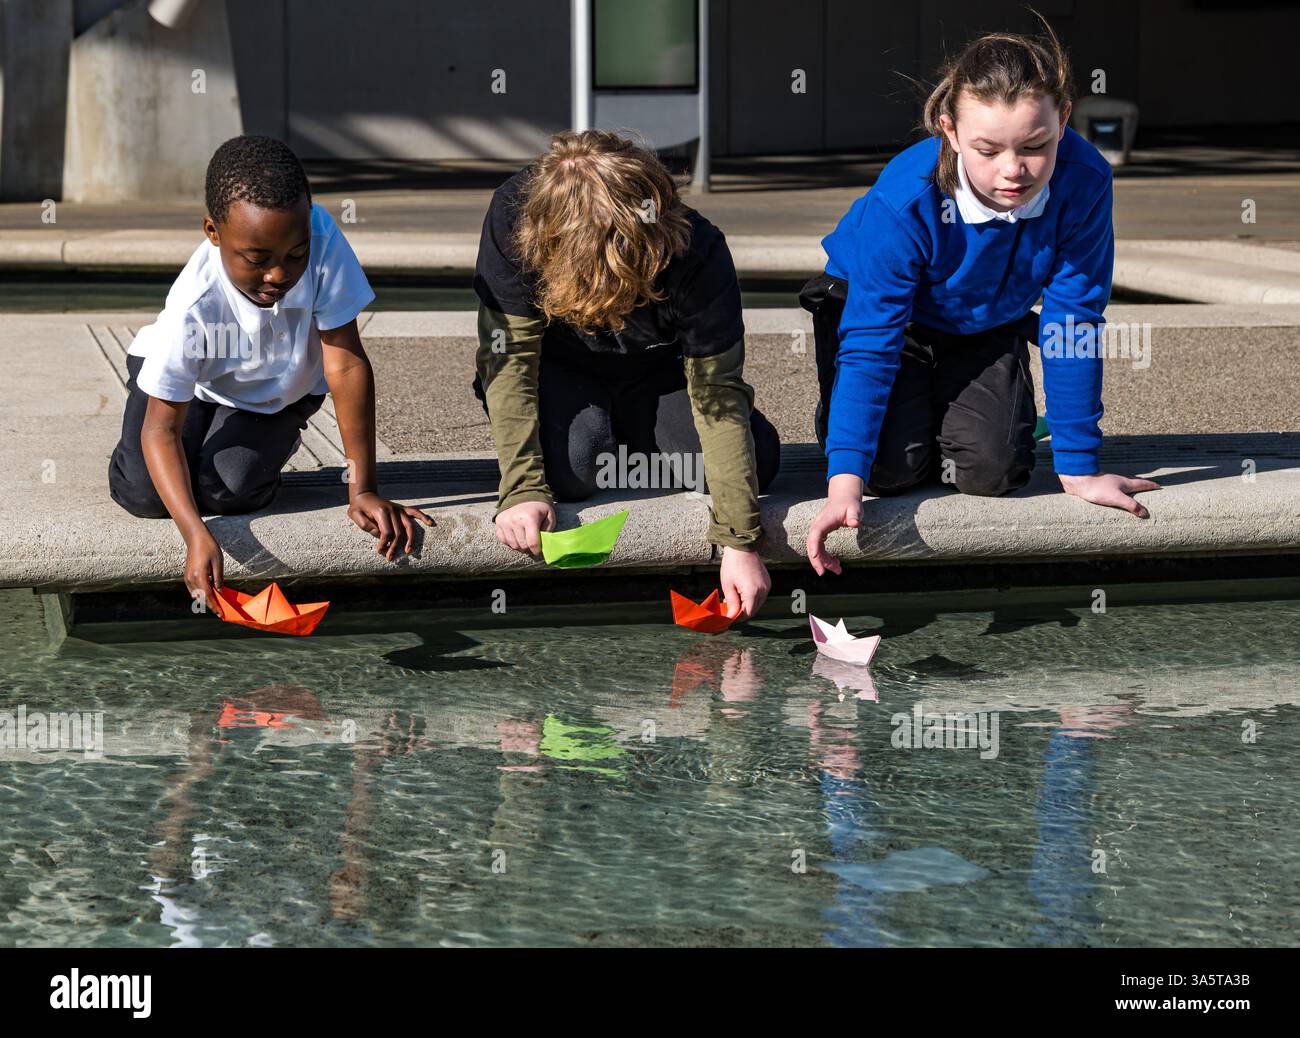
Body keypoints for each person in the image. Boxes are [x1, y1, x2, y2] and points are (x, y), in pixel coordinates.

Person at [804, 18, 1160, 577]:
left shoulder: (1084, 182)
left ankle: (955, 406)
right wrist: (844, 480)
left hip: (983, 323)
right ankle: (865, 426)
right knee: (889, 471)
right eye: (987, 150)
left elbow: (1073, 321)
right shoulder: (907, 199)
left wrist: (1080, 468)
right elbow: (873, 342)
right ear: (949, 130)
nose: (1012, 171)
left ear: (1064, 120)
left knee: (995, 471)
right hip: (880, 323)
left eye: (1035, 146)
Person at [108, 135, 432, 604]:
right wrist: (195, 535)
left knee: (229, 490)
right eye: (257, 259)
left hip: (275, 393)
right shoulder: (192, 308)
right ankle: (135, 417)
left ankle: (269, 435)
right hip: (192, 383)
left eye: (295, 255)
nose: (279, 275)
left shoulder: (322, 238)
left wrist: (364, 489)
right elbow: (162, 431)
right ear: (213, 232)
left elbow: (344, 364)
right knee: (145, 495)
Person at [473, 130, 780, 618]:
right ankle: (609, 430)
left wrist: (739, 541)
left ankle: (633, 427)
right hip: (559, 368)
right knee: (573, 470)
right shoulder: (513, 216)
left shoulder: (696, 247)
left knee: (757, 464)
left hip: (656, 372)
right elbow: (509, 362)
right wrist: (521, 490)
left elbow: (717, 392)